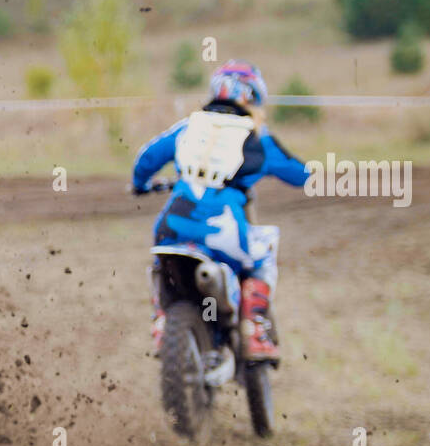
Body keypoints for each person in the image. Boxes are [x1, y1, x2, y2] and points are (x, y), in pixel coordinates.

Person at [132, 60, 309, 362]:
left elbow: (146, 158)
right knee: (265, 245)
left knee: (162, 262)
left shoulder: (189, 126)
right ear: (251, 96)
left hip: (172, 224)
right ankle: (254, 327)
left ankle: (161, 318)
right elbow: (299, 175)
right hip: (225, 232)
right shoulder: (258, 138)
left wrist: (140, 184)